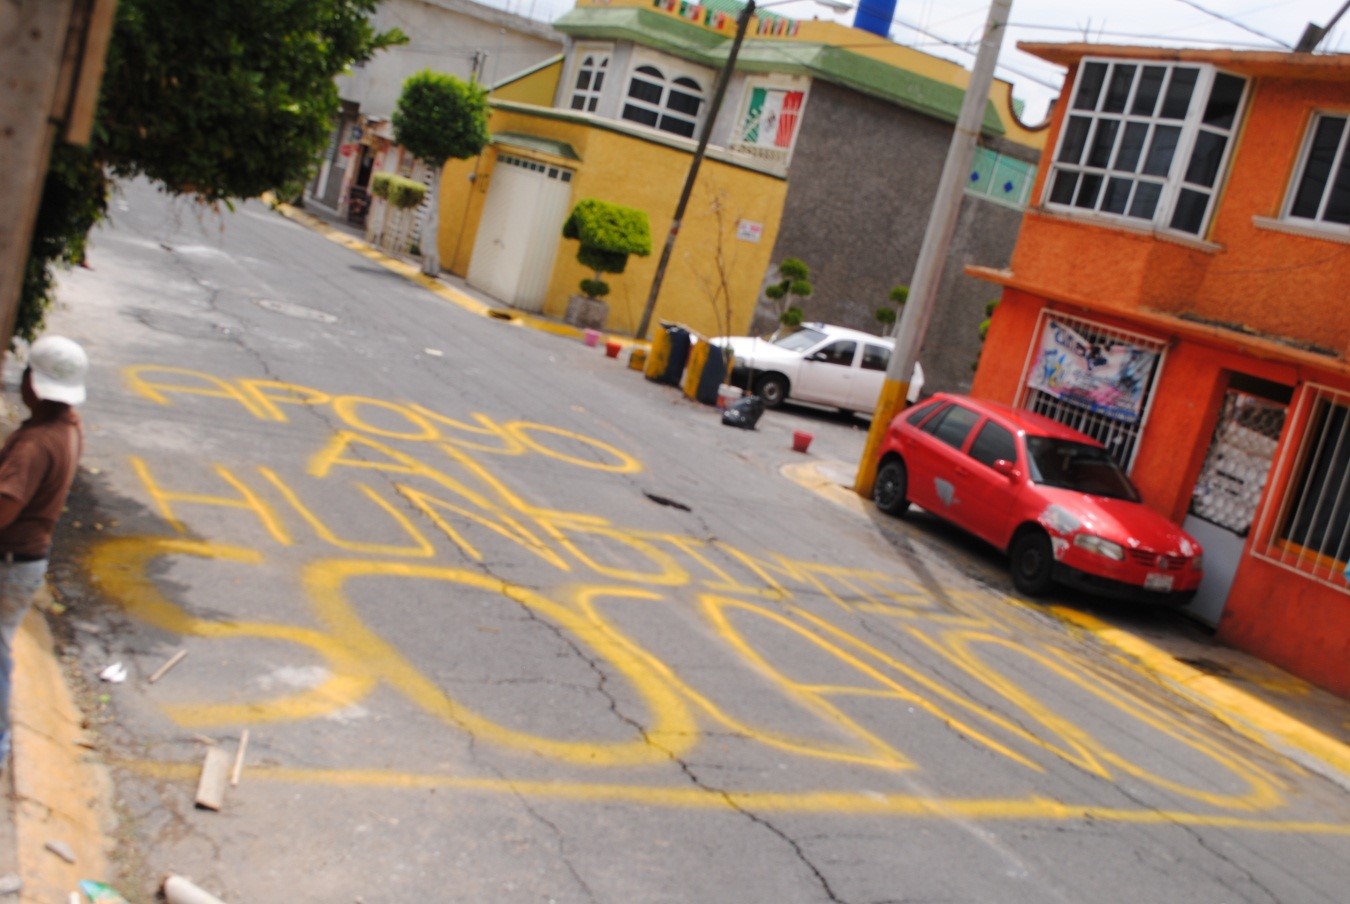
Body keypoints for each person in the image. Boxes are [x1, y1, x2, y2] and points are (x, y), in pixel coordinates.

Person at [0, 336, 86, 772]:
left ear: (34, 384)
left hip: (11, 561)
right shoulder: (70, 428)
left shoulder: (34, 444)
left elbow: (7, 504)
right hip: (28, 561)